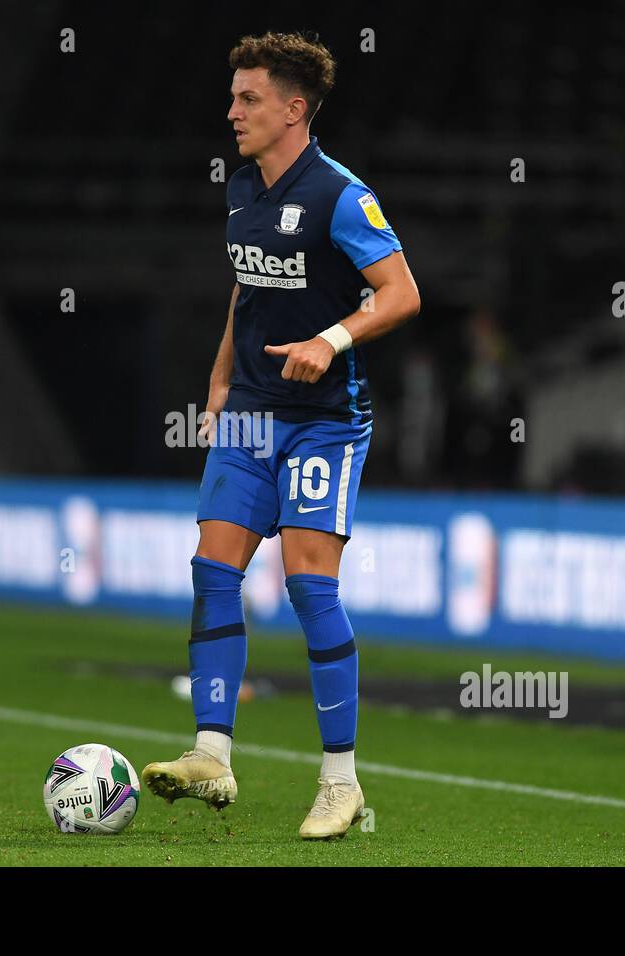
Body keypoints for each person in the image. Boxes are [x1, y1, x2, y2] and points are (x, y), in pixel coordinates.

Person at [141, 32, 421, 839]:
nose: (231, 112)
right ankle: (212, 755)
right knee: (212, 568)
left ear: (294, 110)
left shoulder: (341, 194)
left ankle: (341, 784)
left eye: (248, 99)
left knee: (308, 587)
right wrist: (221, 378)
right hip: (252, 415)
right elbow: (248, 284)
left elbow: (401, 293)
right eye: (233, 97)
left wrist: (330, 341)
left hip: (326, 422)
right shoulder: (241, 186)